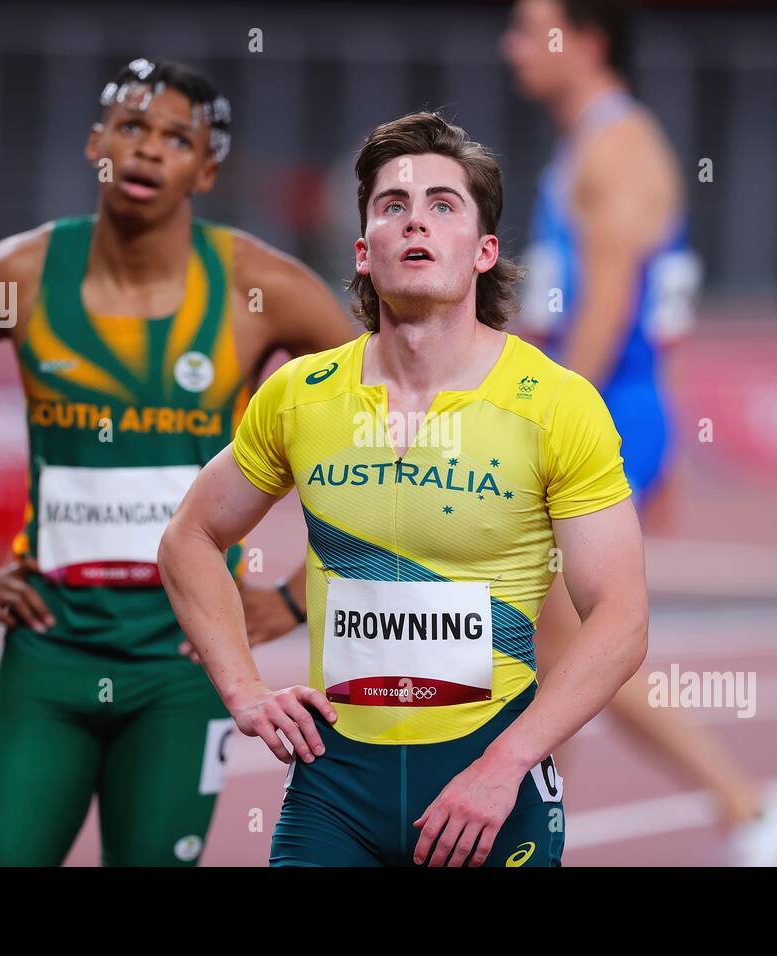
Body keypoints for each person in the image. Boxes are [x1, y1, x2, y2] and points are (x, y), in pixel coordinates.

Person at [0, 57, 352, 866]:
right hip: (47, 653)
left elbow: (385, 427)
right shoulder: (17, 276)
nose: (149, 151)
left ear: (207, 168)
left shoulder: (263, 288)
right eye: (131, 127)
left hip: (185, 664)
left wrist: (297, 596)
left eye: (177, 138)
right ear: (97, 143)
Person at [158, 111, 649, 867]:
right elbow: (190, 536)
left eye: (442, 206)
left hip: (489, 791)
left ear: (484, 252)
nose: (415, 221)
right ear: (364, 251)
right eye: (393, 206)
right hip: (334, 791)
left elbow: (619, 619)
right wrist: (245, 692)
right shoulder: (301, 397)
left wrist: (505, 765)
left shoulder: (556, 404)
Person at [503, 0, 777, 865]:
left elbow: (606, 315)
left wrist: (557, 427)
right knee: (552, 644)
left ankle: (744, 804)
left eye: (532, 29)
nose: (513, 46)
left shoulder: (615, 148)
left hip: (599, 409)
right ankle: (545, 828)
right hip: (618, 409)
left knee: (570, 645)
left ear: (589, 40)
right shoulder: (594, 144)